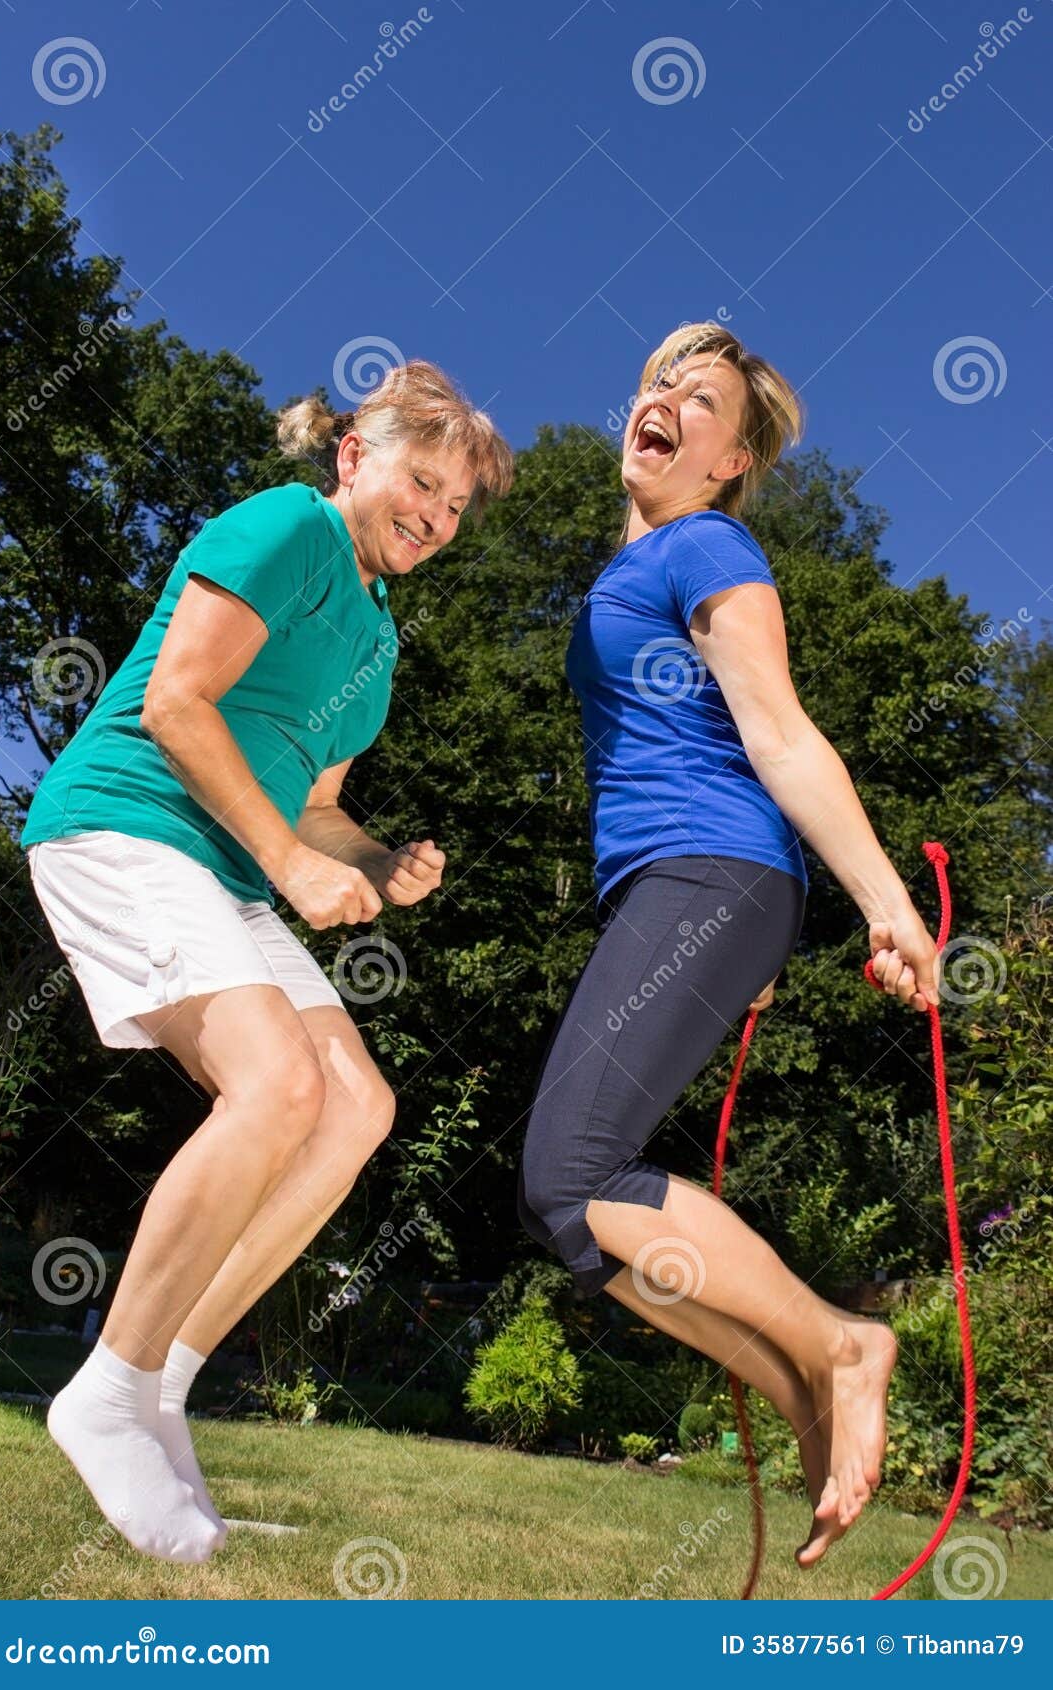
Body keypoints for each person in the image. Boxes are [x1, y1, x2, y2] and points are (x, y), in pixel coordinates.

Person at [21, 360, 513, 1563]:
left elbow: (318, 808)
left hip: (229, 870)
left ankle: (160, 1392)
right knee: (277, 1085)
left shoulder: (378, 646)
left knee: (354, 1105)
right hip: (123, 823)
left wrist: (378, 856)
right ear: (354, 456)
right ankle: (104, 1386)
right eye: (422, 482)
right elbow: (180, 704)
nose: (436, 518)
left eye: (456, 507)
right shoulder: (285, 527)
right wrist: (296, 871)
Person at [517, 322, 940, 1567]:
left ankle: (841, 1346)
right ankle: (807, 1381)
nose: (661, 404)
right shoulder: (642, 557)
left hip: (716, 869)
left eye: (699, 402)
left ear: (729, 464)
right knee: (579, 1213)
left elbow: (779, 733)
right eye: (655, 384)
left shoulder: (709, 544)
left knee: (572, 1168)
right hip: (693, 889)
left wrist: (880, 900)